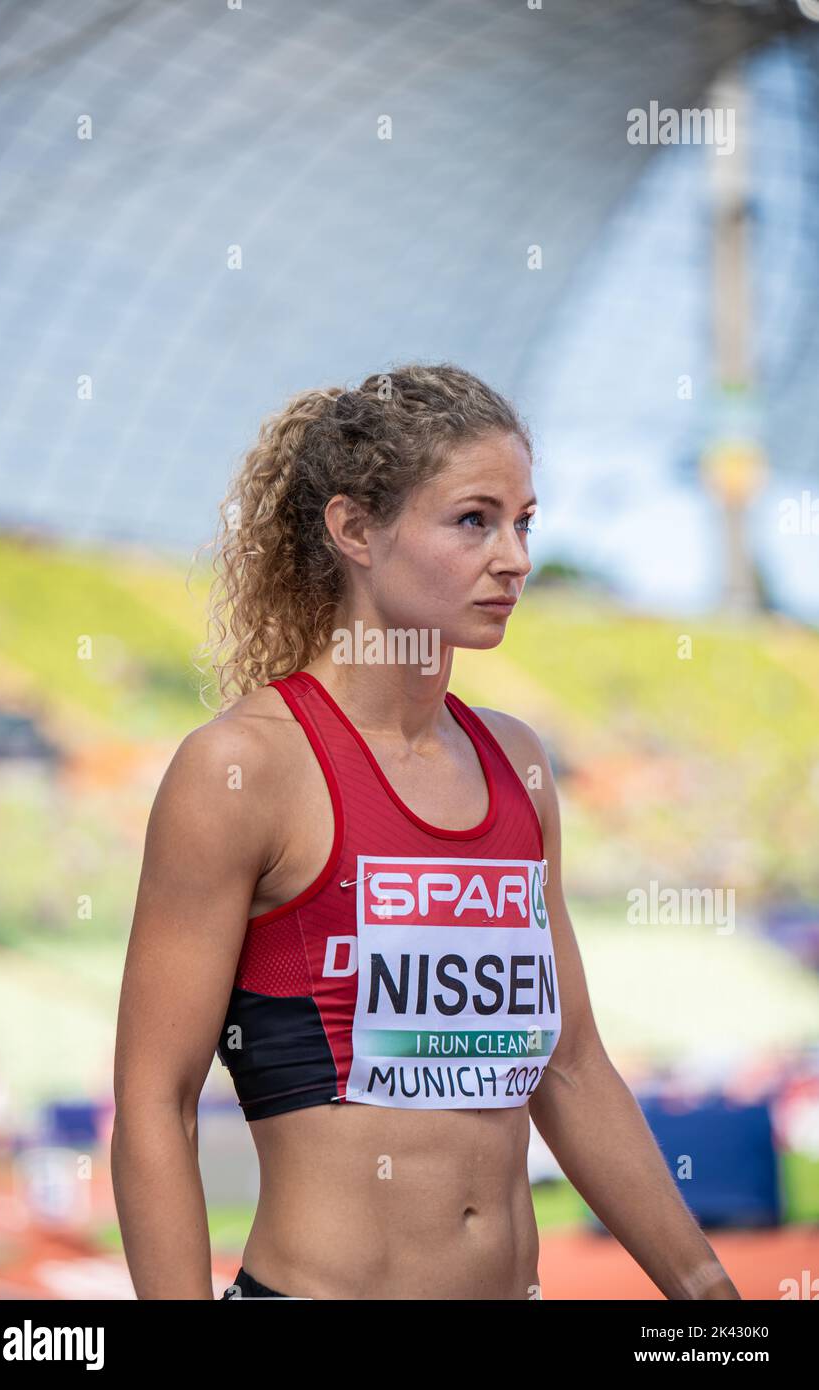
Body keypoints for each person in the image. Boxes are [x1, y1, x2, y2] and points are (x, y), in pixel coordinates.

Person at [112, 363, 740, 1301]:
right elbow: (155, 1105)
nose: (515, 558)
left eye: (524, 521)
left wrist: (705, 1292)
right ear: (355, 529)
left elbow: (567, 1067)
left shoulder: (519, 766)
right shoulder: (244, 769)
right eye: (474, 519)